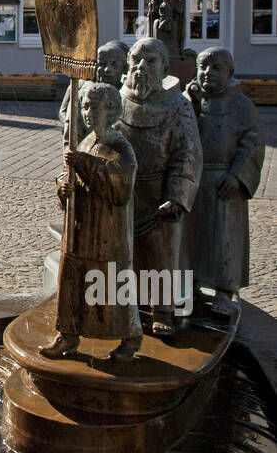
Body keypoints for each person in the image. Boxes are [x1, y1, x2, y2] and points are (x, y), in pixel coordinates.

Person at [41, 83, 141, 362]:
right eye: (84, 106)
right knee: (72, 280)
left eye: (93, 106)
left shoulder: (120, 145)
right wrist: (64, 187)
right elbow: (66, 174)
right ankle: (68, 335)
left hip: (106, 232)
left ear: (110, 110)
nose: (87, 112)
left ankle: (130, 337)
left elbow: (121, 186)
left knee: (112, 283)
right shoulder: (85, 142)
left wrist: (86, 164)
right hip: (79, 230)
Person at [117, 38, 202, 338]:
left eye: (149, 61)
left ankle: (162, 310)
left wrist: (177, 195)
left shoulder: (177, 105)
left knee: (161, 254)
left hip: (158, 192)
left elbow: (187, 153)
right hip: (125, 192)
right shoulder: (119, 99)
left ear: (164, 67)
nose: (140, 67)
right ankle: (125, 304)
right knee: (124, 252)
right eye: (136, 60)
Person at [183, 47, 264, 315]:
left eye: (215, 68)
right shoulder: (194, 100)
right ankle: (191, 283)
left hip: (224, 182)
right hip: (196, 178)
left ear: (229, 73)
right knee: (193, 234)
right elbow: (181, 130)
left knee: (223, 236)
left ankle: (224, 290)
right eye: (202, 66)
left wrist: (238, 175)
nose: (207, 73)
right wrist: (190, 102)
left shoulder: (242, 106)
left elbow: (252, 143)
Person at [59, 40, 128, 146]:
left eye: (114, 64)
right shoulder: (82, 90)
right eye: (102, 64)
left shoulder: (126, 94)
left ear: (124, 69)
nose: (108, 69)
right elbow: (64, 114)